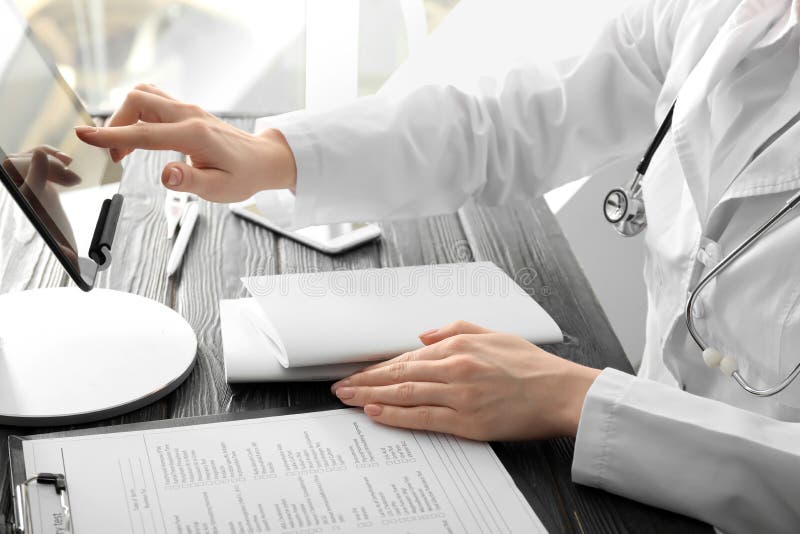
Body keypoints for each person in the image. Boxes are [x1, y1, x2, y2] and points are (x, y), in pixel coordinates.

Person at [75, 0, 800, 531]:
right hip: (631, 492)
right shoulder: (730, 14)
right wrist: (277, 157)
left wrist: (579, 401)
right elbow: (508, 121)